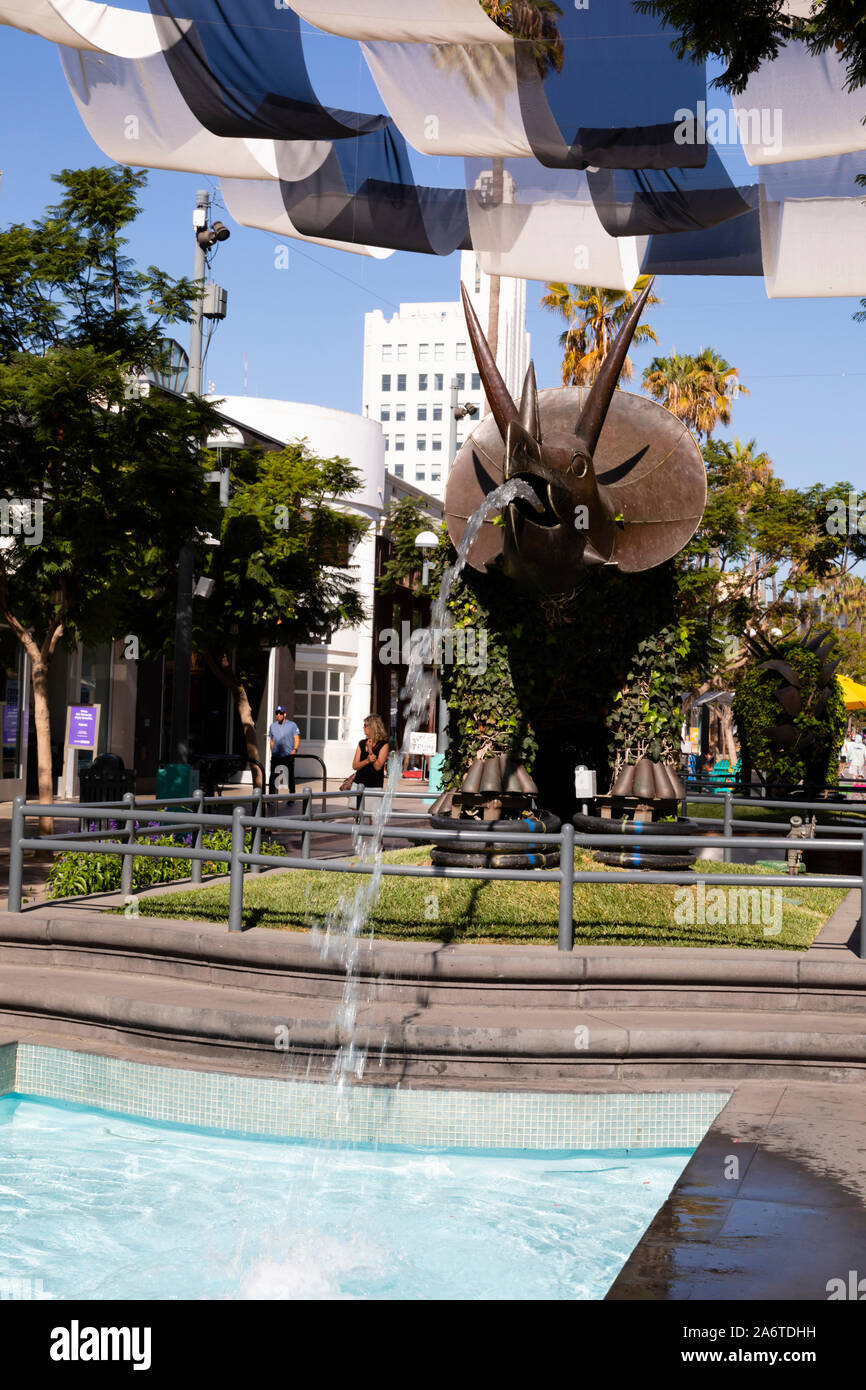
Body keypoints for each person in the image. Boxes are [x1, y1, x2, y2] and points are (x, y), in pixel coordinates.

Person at [268, 705, 300, 796]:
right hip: (276, 756)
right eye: (277, 713)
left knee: (290, 777)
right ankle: (271, 798)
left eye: (280, 713)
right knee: (273, 777)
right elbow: (271, 741)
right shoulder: (272, 726)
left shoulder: (292, 725)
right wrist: (273, 751)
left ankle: (292, 797)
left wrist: (294, 750)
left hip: (288, 756)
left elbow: (297, 738)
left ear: (284, 714)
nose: (278, 715)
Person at [351, 714, 389, 790]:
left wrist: (370, 750)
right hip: (357, 785)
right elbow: (355, 766)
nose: (363, 727)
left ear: (372, 727)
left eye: (365, 725)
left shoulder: (383, 745)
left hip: (374, 787)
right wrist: (367, 761)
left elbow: (378, 767)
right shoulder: (361, 743)